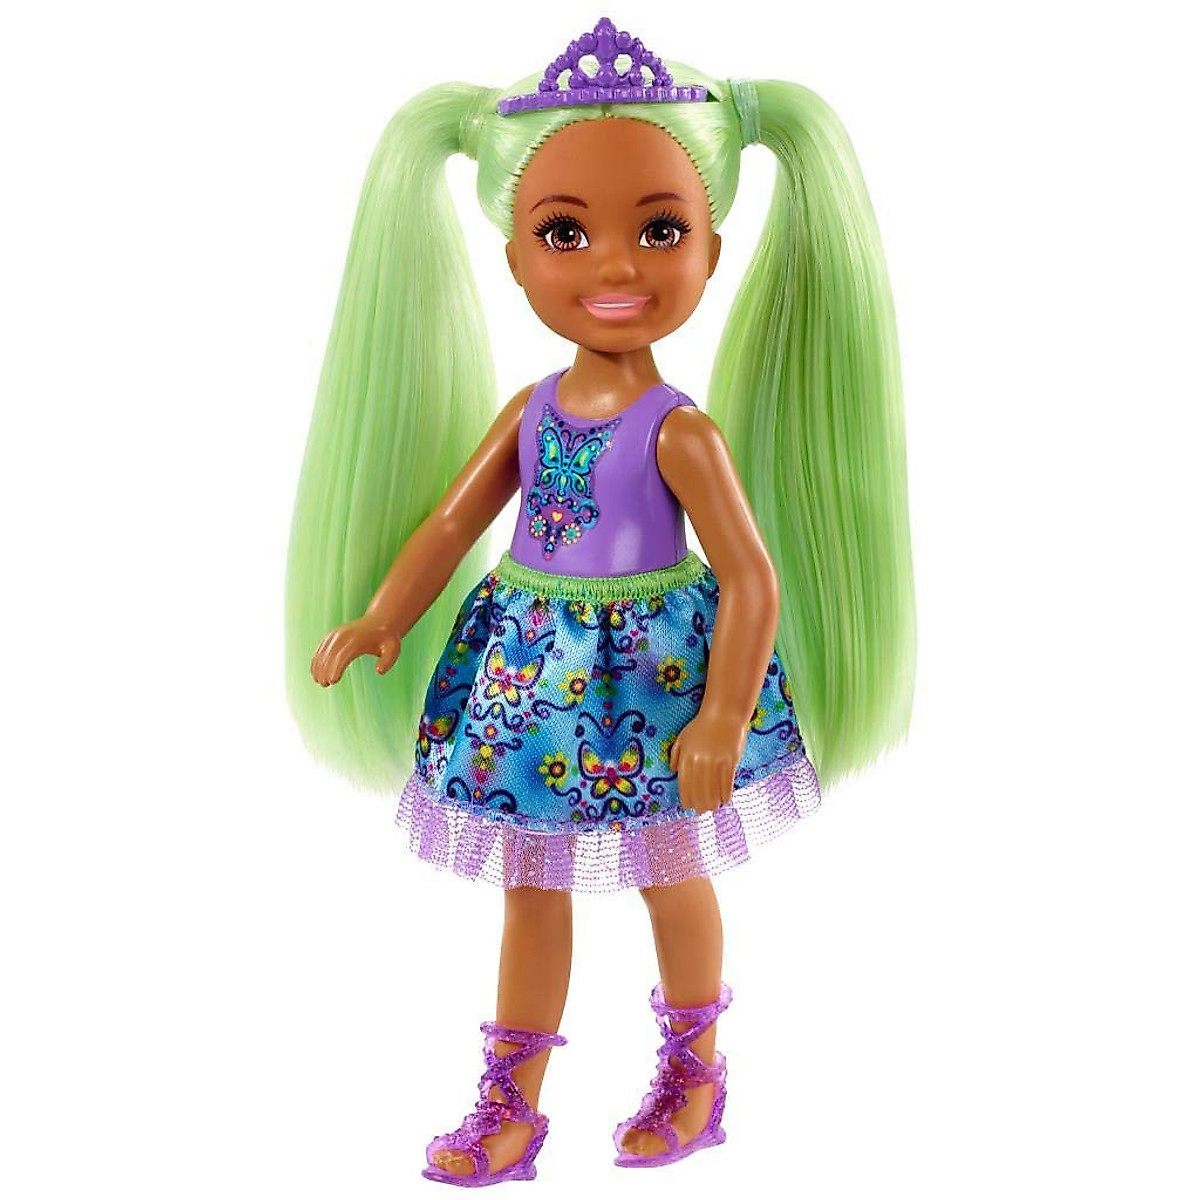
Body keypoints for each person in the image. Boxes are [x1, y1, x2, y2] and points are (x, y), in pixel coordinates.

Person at [286, 16, 915, 1186]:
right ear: (515, 259)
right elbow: (453, 525)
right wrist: (383, 616)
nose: (615, 268)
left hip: (655, 681)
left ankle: (694, 1074)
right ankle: (512, 1104)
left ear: (711, 253)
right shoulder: (530, 410)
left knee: (671, 871)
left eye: (659, 230)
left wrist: (724, 713)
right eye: (565, 233)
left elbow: (752, 574)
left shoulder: (680, 432)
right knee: (531, 888)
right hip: (529, 674)